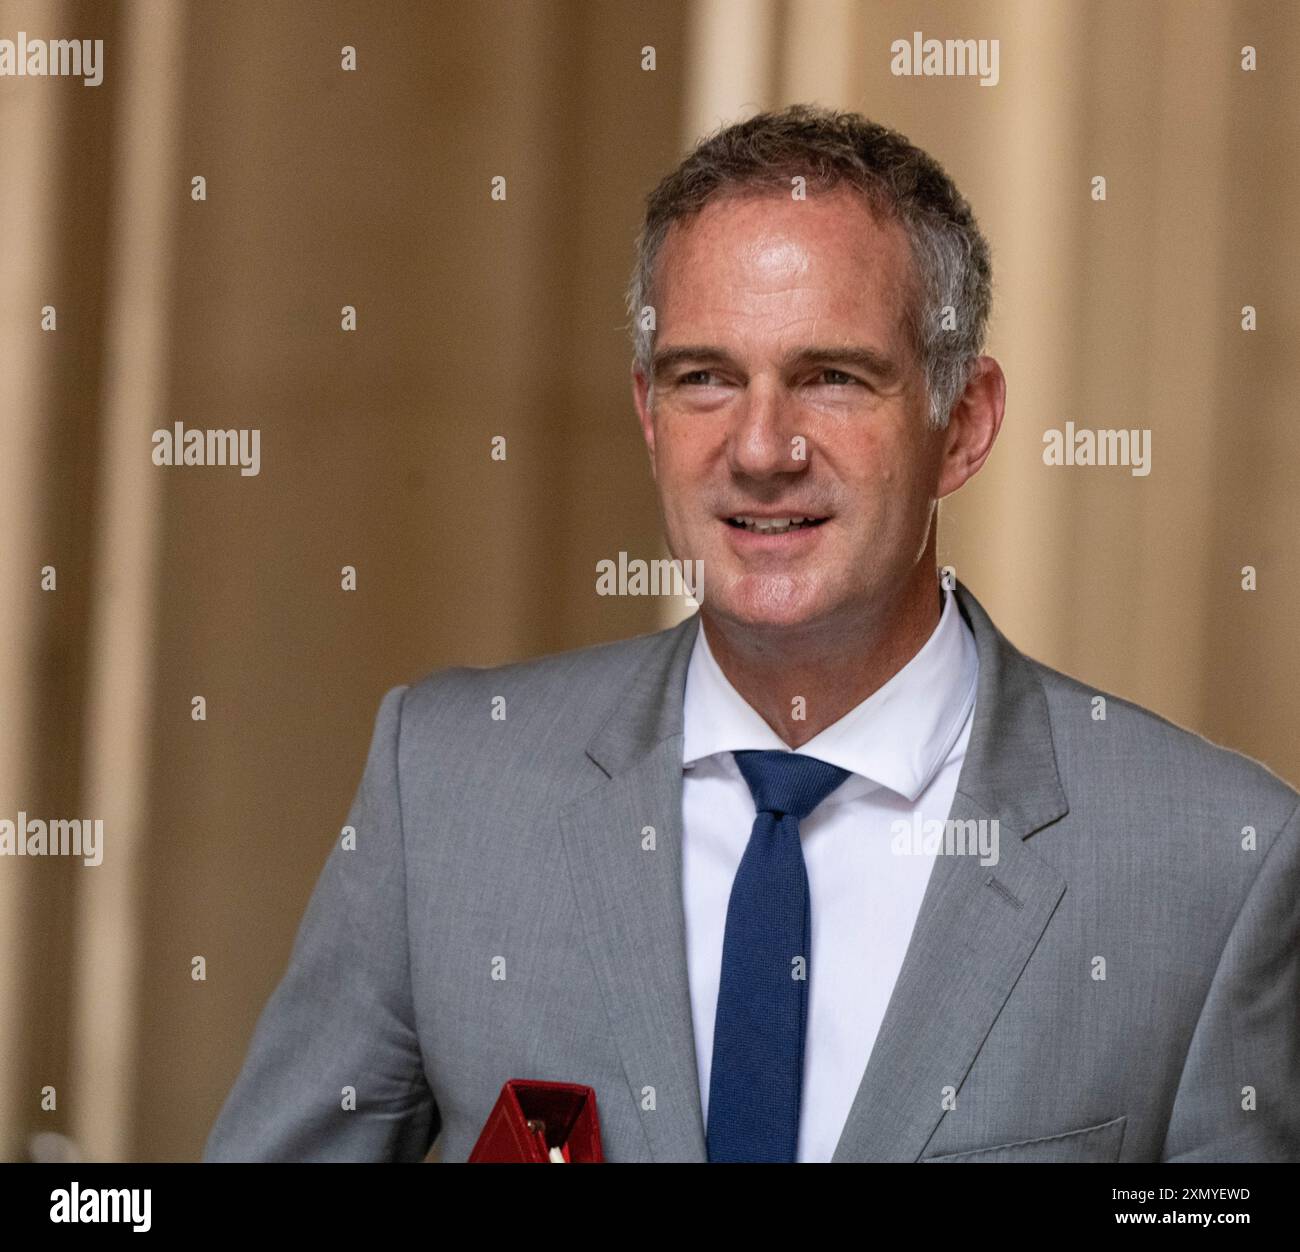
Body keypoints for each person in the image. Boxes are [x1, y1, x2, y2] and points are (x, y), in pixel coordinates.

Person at [204, 104, 1299, 1163]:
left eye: (831, 377)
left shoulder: (1215, 864)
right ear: (647, 412)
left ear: (960, 423)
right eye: (705, 379)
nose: (761, 446)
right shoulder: (443, 790)